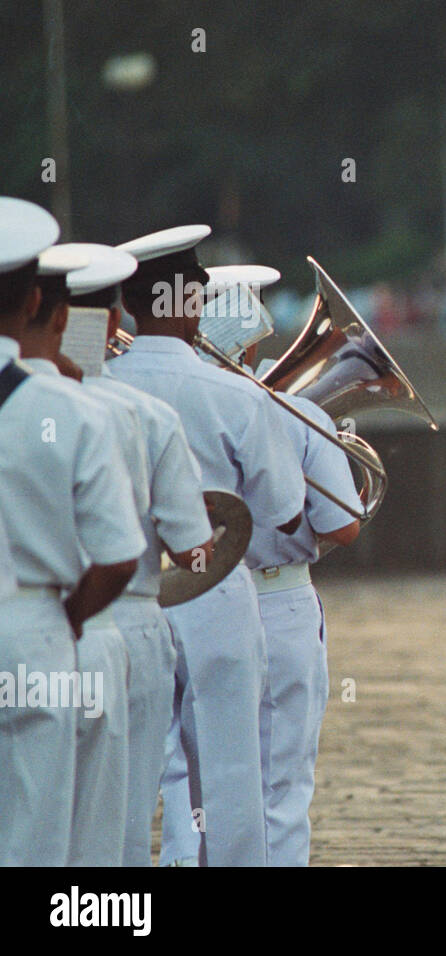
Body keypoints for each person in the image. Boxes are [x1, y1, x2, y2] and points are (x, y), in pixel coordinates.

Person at [110, 225, 305, 867]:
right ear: (190, 301)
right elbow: (280, 508)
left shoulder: (97, 387)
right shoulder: (237, 393)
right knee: (230, 768)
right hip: (218, 591)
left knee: (128, 768)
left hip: (124, 595)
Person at [0, 197, 144, 865]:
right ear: (41, 304)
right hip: (35, 627)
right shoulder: (72, 407)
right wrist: (70, 619)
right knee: (40, 833)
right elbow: (118, 560)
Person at [63, 243, 215, 866]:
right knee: (123, 821)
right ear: (117, 318)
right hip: (121, 620)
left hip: (22, 624)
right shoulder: (143, 415)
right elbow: (191, 547)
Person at [239, 265, 363, 866]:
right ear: (257, 335)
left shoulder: (147, 400)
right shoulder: (300, 414)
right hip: (279, 601)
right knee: (282, 784)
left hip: (185, 600)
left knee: (189, 777)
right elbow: (342, 523)